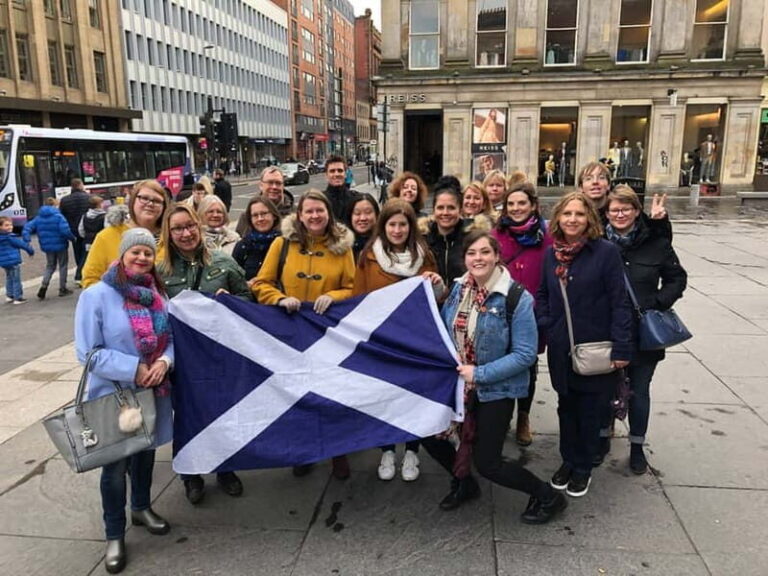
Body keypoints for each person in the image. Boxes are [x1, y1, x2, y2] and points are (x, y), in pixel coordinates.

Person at [421, 231, 567, 524]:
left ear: (497, 255)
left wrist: (480, 373)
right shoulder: (459, 289)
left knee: (488, 463)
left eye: (485, 252)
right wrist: (436, 290)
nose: (478, 258)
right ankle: (464, 482)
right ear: (465, 258)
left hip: (495, 389)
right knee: (428, 433)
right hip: (458, 385)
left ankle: (549, 496)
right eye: (472, 253)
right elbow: (446, 324)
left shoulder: (516, 298)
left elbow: (525, 355)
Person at [74, 228, 174, 574]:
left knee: (145, 455)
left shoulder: (157, 293)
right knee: (115, 467)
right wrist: (135, 369)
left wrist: (163, 363)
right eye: (136, 252)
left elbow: (170, 339)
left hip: (152, 390)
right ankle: (114, 533)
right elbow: (87, 352)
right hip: (114, 395)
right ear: (123, 254)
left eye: (148, 252)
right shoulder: (97, 295)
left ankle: (142, 507)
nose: (143, 258)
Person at [535, 192, 633, 498]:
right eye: (567, 214)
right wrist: (547, 323)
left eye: (579, 214)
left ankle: (583, 466)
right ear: (558, 219)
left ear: (589, 218)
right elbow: (542, 294)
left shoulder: (605, 252)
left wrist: (621, 347)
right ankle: (568, 458)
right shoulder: (552, 254)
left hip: (595, 347)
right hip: (562, 347)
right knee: (566, 406)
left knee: (590, 410)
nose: (573, 220)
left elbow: (620, 301)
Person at [252, 190, 355, 480]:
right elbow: (262, 282)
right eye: (308, 211)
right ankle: (305, 450)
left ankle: (339, 451)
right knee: (298, 394)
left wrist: (334, 296)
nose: (314, 216)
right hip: (291, 331)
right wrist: (279, 298)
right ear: (299, 215)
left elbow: (352, 286)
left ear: (328, 213)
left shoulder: (342, 248)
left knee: (332, 392)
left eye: (319, 210)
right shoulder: (281, 244)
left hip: (328, 333)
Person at [158, 204, 251, 505]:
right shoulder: (160, 272)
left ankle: (226, 469)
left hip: (219, 357)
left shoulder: (223, 263)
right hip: (182, 362)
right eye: (178, 229)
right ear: (169, 234)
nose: (185, 233)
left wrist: (232, 300)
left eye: (190, 227)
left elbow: (249, 299)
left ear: (198, 227)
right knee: (188, 417)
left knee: (224, 413)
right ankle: (191, 476)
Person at [353, 200, 444, 482]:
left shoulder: (424, 255)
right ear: (384, 226)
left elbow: (437, 298)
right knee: (386, 397)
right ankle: (388, 449)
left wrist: (437, 281)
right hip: (382, 341)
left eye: (402, 224)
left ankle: (412, 450)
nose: (397, 229)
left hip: (415, 341)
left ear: (410, 227)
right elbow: (359, 296)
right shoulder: (369, 255)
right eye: (392, 224)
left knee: (412, 397)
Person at [604, 185, 687, 474]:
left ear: (637, 212)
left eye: (626, 208)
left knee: (639, 390)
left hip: (643, 332)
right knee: (604, 387)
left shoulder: (656, 242)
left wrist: (658, 302)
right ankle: (604, 435)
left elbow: (677, 278)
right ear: (606, 212)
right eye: (614, 209)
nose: (620, 214)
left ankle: (637, 446)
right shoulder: (599, 242)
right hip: (607, 330)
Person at [491, 182, 552, 446]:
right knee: (500, 363)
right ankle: (501, 417)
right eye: (511, 204)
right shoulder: (497, 234)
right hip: (500, 311)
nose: (516, 209)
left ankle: (524, 417)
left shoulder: (547, 235)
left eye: (521, 203)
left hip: (533, 312)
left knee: (528, 365)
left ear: (533, 206)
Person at [82, 180, 169, 288]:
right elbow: (90, 279)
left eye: (157, 201)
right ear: (133, 201)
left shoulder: (171, 237)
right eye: (144, 198)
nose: (150, 204)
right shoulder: (107, 236)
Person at [422, 186, 492, 288]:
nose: (445, 213)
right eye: (440, 208)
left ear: (460, 210)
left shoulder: (473, 238)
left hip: (465, 299)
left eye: (451, 208)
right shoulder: (423, 239)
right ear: (433, 210)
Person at [23, 197, 76, 299]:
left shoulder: (38, 217)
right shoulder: (59, 217)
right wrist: (73, 239)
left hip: (47, 246)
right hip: (61, 245)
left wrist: (26, 239)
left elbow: (27, 227)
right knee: (63, 266)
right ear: (55, 205)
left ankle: (44, 286)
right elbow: (65, 231)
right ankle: (62, 288)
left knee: (50, 266)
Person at [232, 196, 282, 285]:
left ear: (274, 215)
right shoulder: (243, 246)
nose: (260, 219)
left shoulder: (285, 244)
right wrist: (246, 284)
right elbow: (233, 280)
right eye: (255, 215)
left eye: (264, 213)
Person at [58, 178, 90, 286]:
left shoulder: (65, 200)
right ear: (81, 185)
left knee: (77, 252)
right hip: (87, 229)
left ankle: (80, 272)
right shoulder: (88, 198)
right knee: (86, 253)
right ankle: (81, 274)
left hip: (73, 230)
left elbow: (62, 215)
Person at [0, 216, 34, 304]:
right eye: (6, 225)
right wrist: (30, 251)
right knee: (16, 279)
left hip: (4, 262)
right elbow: (22, 245)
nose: (10, 227)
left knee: (9, 278)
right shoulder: (10, 237)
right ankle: (17, 297)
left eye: (11, 225)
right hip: (13, 260)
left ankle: (9, 295)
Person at [323, 155, 358, 226]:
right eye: (332, 171)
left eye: (340, 170)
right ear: (326, 175)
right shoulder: (320, 200)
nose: (336, 174)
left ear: (345, 174)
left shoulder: (356, 199)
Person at [349, 193, 380, 260]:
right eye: (357, 213)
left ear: (376, 215)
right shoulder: (342, 246)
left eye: (368, 212)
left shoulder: (385, 244)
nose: (362, 218)